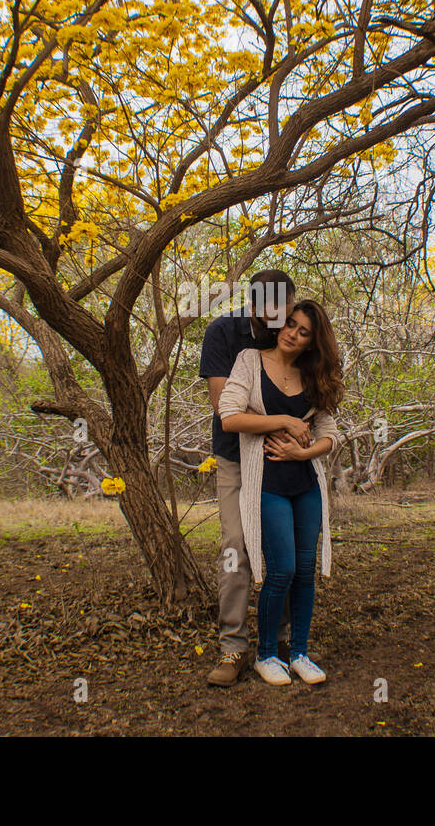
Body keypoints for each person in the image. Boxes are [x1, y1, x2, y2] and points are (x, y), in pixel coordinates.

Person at [218, 299, 344, 685]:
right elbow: (229, 416)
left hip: (305, 484)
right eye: (290, 324)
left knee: (305, 571)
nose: (292, 333)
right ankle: (266, 654)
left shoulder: (312, 375)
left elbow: (331, 433)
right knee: (282, 569)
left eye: (304, 331)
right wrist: (286, 421)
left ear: (312, 342)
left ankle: (300, 652)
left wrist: (302, 451)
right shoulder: (249, 361)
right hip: (266, 483)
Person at [199, 269, 306, 687]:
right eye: (272, 311)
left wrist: (303, 441)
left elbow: (316, 393)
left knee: (284, 550)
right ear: (255, 306)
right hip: (235, 461)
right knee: (235, 547)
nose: (282, 321)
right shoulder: (223, 333)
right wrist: (282, 420)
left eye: (289, 310)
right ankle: (233, 647)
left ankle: (277, 645)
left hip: (284, 459)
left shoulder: (296, 333)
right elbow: (225, 410)